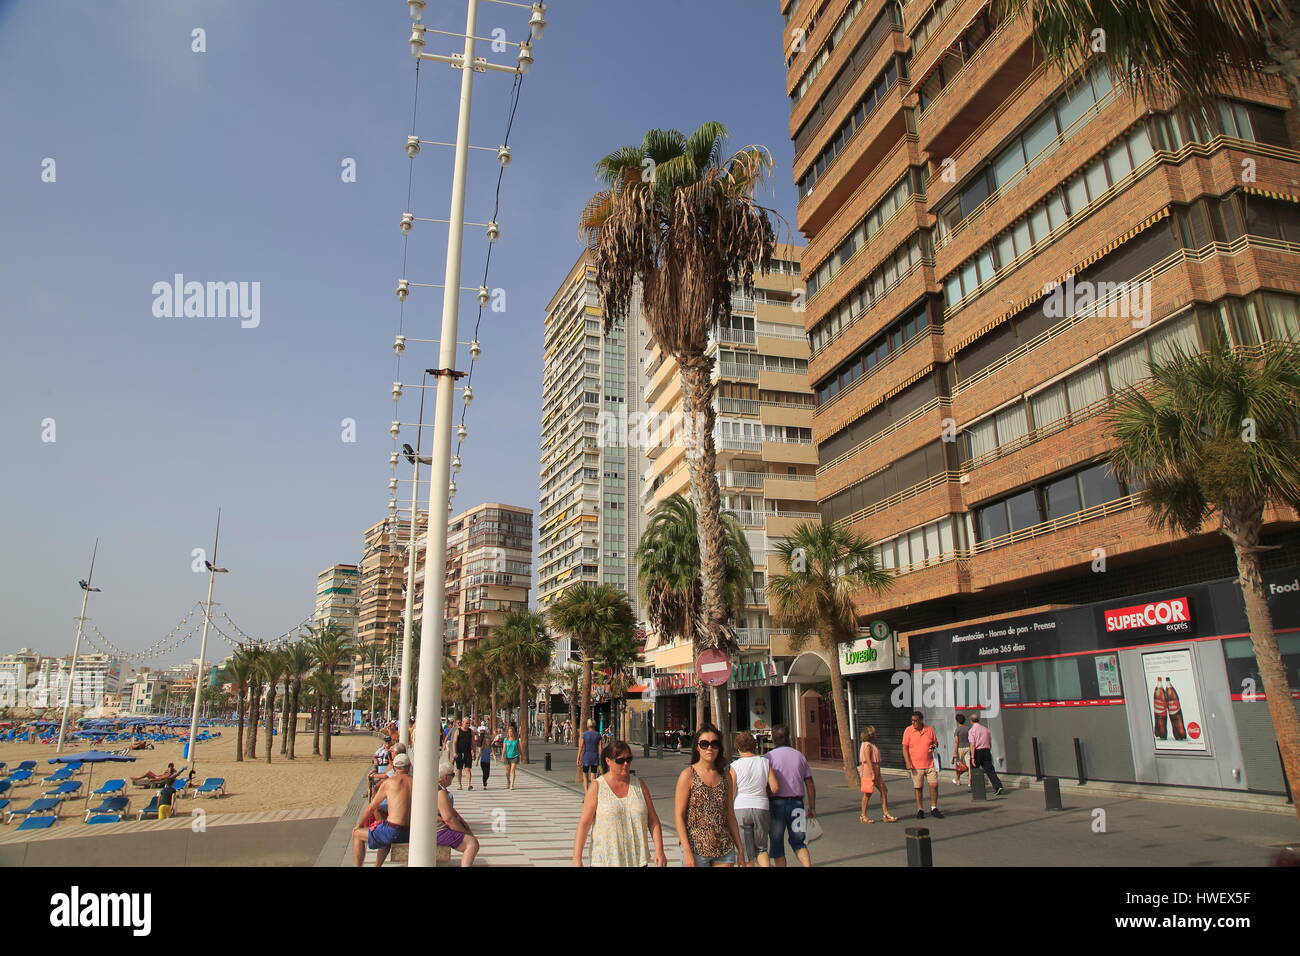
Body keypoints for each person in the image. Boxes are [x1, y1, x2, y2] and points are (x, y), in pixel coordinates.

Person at [572, 739, 668, 867]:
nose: (626, 764)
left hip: (637, 860)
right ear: (608, 761)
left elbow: (653, 821)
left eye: (629, 759)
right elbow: (584, 824)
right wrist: (577, 858)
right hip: (605, 861)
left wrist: (659, 851)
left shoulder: (639, 785)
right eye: (620, 760)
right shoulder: (597, 787)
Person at [673, 724, 745, 867]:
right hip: (696, 849)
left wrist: (740, 849)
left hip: (724, 848)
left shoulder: (726, 776)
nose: (710, 748)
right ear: (697, 747)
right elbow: (679, 816)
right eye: (704, 744)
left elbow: (730, 813)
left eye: (714, 744)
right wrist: (687, 851)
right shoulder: (688, 775)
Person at [351, 752, 413, 866]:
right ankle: (377, 865)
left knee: (357, 834)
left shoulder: (389, 782)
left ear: (394, 768)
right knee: (383, 830)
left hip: (394, 831)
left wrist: (358, 825)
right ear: (409, 766)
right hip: (410, 831)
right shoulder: (416, 782)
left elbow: (371, 808)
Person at [766, 725, 815, 867]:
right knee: (799, 842)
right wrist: (812, 807)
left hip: (776, 806)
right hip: (797, 805)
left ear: (773, 739)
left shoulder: (768, 758)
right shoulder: (800, 756)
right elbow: (810, 783)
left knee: (776, 843)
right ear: (788, 737)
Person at [729, 731, 778, 867]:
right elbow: (774, 787)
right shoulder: (764, 762)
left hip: (740, 808)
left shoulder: (735, 766)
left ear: (737, 747)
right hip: (761, 806)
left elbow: (731, 792)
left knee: (746, 852)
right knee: (761, 849)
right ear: (754, 745)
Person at [437, 762, 480, 866]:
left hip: (430, 831)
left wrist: (464, 825)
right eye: (453, 775)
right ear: (446, 777)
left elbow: (452, 813)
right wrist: (464, 832)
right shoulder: (439, 792)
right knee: (472, 844)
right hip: (437, 832)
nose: (453, 778)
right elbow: (449, 819)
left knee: (470, 840)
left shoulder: (434, 789)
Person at [903, 711, 943, 819]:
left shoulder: (929, 729)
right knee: (918, 787)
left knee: (934, 785)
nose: (913, 723)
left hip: (930, 764)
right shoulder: (908, 730)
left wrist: (934, 746)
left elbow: (936, 742)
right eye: (912, 721)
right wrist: (907, 761)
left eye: (915, 721)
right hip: (916, 765)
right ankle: (920, 809)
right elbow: (905, 747)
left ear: (921, 720)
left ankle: (934, 807)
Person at [858, 726, 897, 824]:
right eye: (874, 733)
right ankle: (863, 815)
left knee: (884, 790)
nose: (876, 735)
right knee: (868, 793)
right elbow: (868, 759)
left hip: (875, 770)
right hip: (869, 771)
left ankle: (886, 813)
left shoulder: (870, 744)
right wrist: (873, 773)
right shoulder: (867, 745)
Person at [968, 713, 1004, 794]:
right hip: (986, 750)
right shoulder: (985, 729)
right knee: (990, 770)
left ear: (971, 721)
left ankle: (976, 789)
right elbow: (989, 741)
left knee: (975, 770)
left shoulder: (972, 731)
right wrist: (989, 749)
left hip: (977, 751)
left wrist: (973, 757)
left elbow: (972, 744)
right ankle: (998, 786)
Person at [577, 719, 601, 791]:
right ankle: (591, 792)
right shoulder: (598, 735)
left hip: (586, 756)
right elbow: (600, 748)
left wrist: (578, 758)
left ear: (587, 725)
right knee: (593, 776)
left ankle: (586, 792)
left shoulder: (584, 734)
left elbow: (581, 747)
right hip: (595, 756)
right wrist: (601, 757)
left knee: (585, 775)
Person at [454, 717, 475, 790]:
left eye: (469, 723)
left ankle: (469, 784)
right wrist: (454, 752)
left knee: (468, 769)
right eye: (466, 723)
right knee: (459, 769)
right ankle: (459, 784)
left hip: (468, 753)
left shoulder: (471, 731)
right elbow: (454, 742)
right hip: (459, 753)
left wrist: (474, 752)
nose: (468, 725)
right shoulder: (458, 731)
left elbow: (473, 743)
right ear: (462, 723)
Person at [952, 714, 972, 788]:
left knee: (958, 765)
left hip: (960, 748)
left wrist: (955, 752)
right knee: (969, 765)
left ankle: (958, 780)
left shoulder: (957, 729)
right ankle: (970, 782)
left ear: (957, 721)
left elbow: (956, 741)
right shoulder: (968, 728)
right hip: (968, 747)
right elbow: (970, 739)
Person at [503, 723, 521, 790]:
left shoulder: (516, 740)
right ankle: (508, 781)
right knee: (507, 772)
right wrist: (502, 755)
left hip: (515, 756)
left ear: (513, 732)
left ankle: (512, 785)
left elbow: (519, 748)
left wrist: (521, 755)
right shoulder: (506, 740)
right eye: (509, 731)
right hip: (507, 756)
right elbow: (504, 748)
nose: (510, 733)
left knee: (512, 770)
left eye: (511, 731)